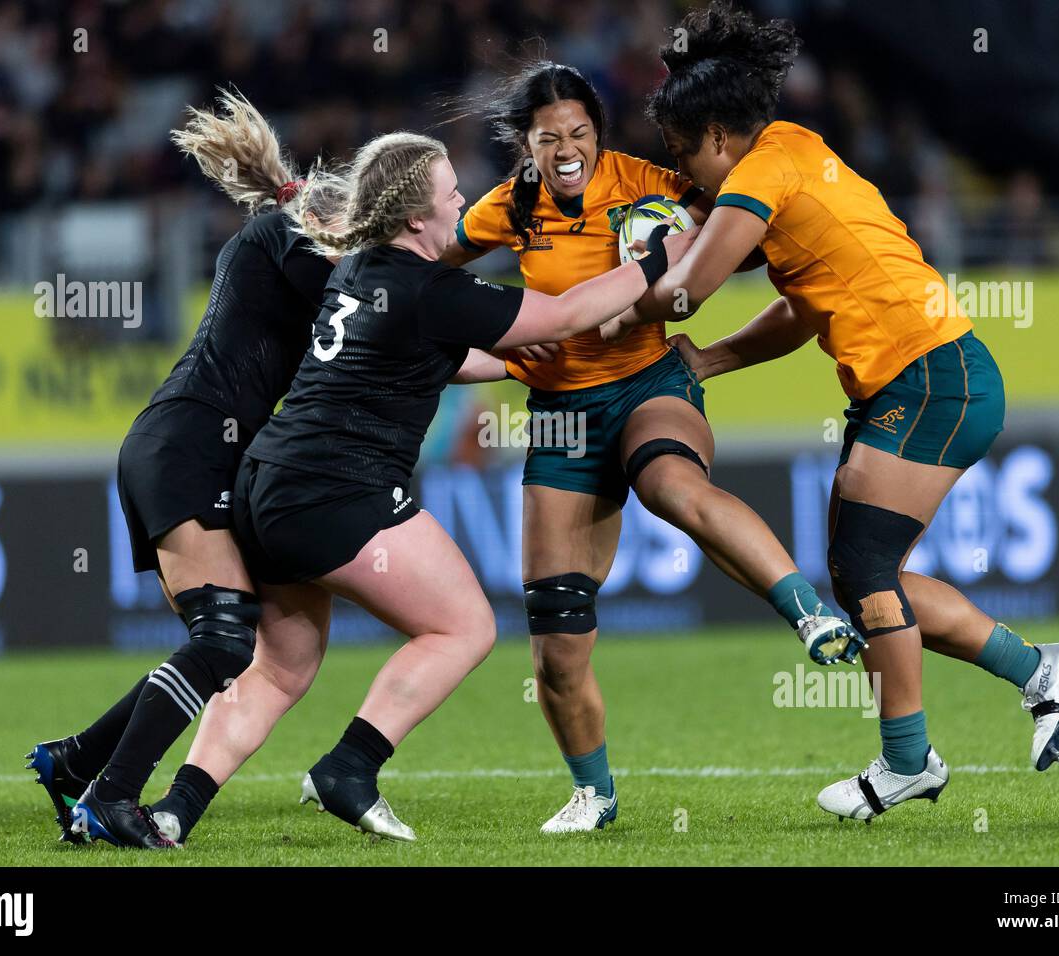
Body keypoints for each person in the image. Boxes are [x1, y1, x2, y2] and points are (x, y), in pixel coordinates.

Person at [145, 129, 699, 846]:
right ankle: (349, 768)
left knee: (280, 671)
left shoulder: (361, 268)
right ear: (416, 219)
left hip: (264, 482)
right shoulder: (431, 287)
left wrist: (521, 365)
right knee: (463, 627)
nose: (462, 201)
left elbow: (448, 358)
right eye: (450, 194)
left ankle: (173, 812)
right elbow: (562, 316)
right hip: (336, 489)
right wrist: (655, 257)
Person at [610, 2, 1059, 821]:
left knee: (866, 576)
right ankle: (1037, 670)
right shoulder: (799, 150)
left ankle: (909, 760)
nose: (689, 173)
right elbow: (802, 310)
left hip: (932, 376)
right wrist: (714, 360)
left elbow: (687, 292)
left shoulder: (762, 172)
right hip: (919, 380)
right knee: (872, 580)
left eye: (687, 155)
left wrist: (627, 286)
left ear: (720, 136)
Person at [440, 61, 859, 834]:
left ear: (598, 132)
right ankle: (593, 794)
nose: (567, 150)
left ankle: (808, 612)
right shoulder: (510, 207)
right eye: (548, 138)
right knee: (557, 638)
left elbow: (741, 220)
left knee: (671, 484)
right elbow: (427, 264)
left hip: (649, 385)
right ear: (526, 145)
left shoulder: (650, 185)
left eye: (579, 133)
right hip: (560, 416)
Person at [25, 90, 338, 849]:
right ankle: (112, 797)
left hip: (182, 443)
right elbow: (385, 309)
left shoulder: (278, 241)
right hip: (189, 445)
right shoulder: (290, 241)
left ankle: (76, 763)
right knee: (227, 636)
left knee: (221, 636)